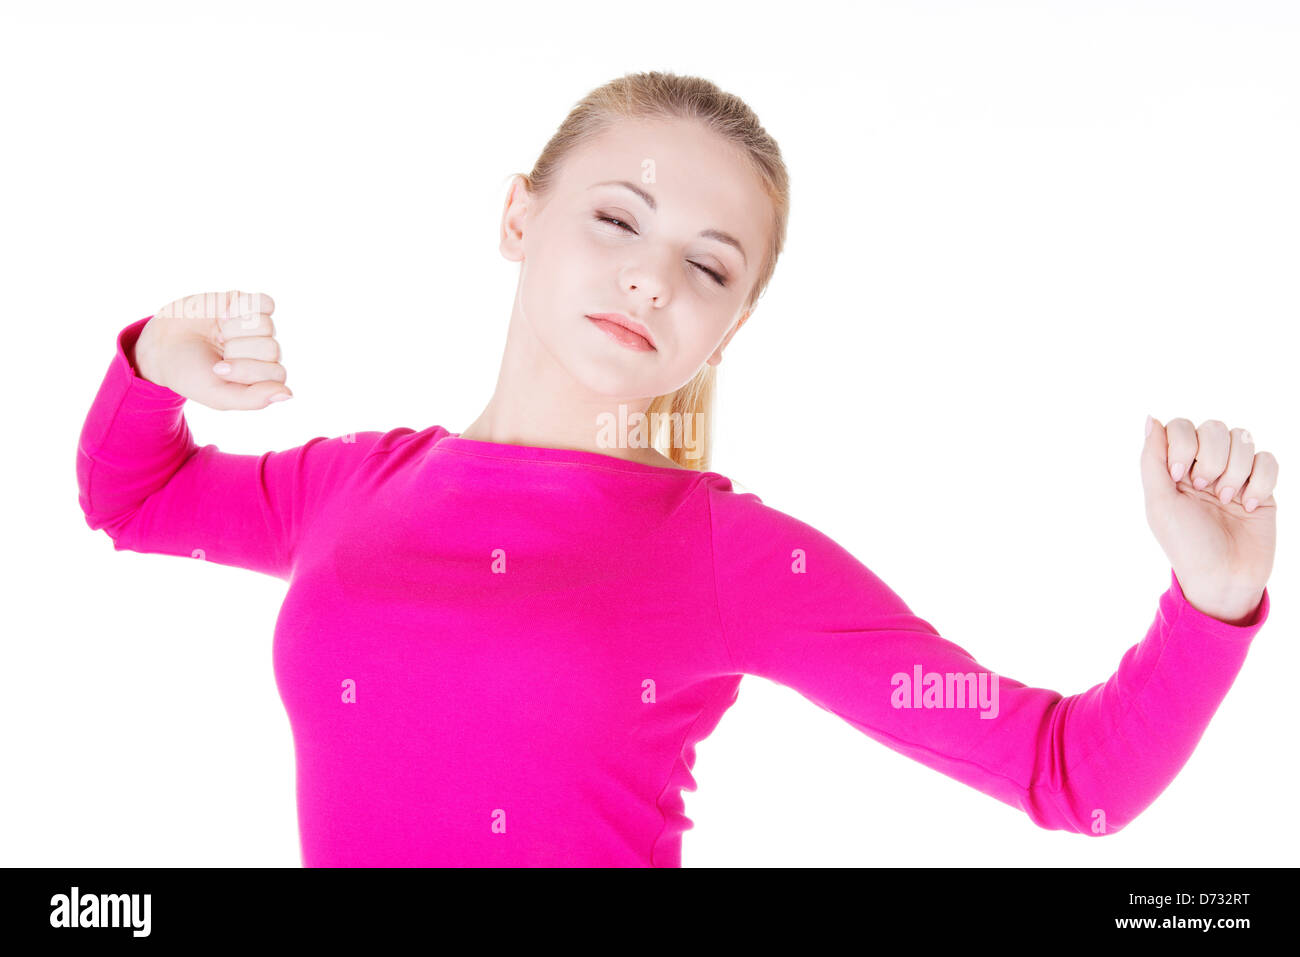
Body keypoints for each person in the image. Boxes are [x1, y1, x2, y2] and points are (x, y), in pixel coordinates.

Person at [76, 70, 1276, 867]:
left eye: (707, 268)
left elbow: (1066, 773)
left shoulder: (736, 562)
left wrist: (1212, 603)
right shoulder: (351, 491)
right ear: (516, 218)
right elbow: (130, 499)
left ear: (731, 325)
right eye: (615, 220)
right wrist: (154, 361)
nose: (652, 278)